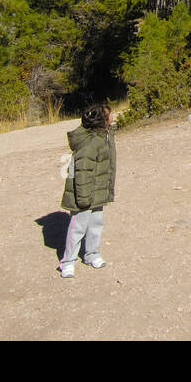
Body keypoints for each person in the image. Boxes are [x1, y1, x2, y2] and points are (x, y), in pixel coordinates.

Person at [58, 103, 116, 278]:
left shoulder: (103, 137)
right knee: (78, 227)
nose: (113, 116)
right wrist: (83, 198)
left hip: (97, 192)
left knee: (96, 224)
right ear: (102, 121)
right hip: (85, 195)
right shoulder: (90, 144)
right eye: (110, 115)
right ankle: (68, 261)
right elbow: (82, 172)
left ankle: (92, 253)